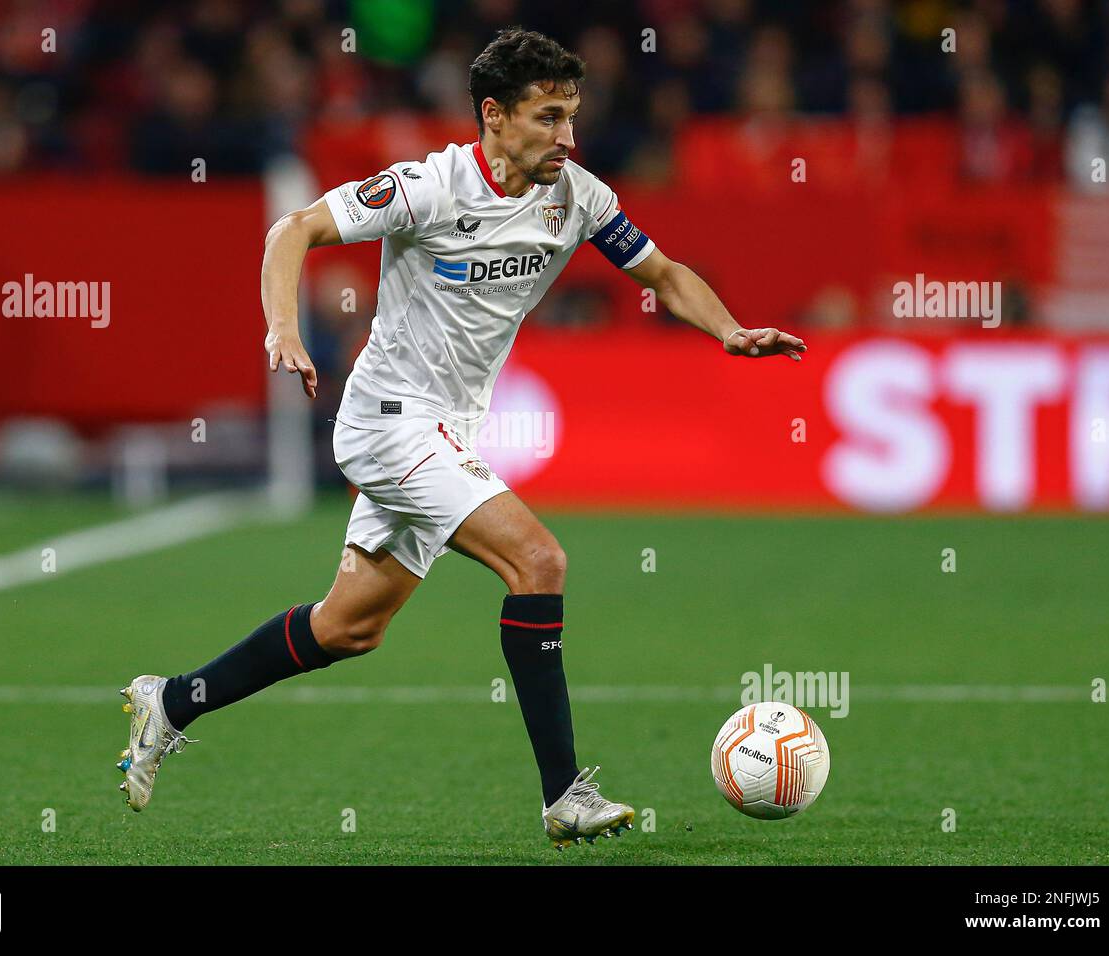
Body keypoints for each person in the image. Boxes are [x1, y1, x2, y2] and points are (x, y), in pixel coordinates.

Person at [115, 28, 805, 850]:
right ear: (494, 115)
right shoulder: (427, 187)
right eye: (549, 117)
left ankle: (173, 701)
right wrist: (282, 330)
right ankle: (564, 795)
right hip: (389, 423)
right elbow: (290, 230)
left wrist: (727, 331)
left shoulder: (577, 196)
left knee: (348, 629)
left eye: (572, 117)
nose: (568, 137)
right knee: (539, 560)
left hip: (451, 428)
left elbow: (661, 273)